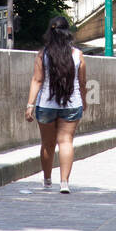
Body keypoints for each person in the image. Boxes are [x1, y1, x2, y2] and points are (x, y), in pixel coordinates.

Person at [25, 16, 86, 193]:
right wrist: (83, 100)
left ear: (49, 33)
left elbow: (37, 80)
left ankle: (47, 180)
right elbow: (82, 82)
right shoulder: (77, 55)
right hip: (72, 103)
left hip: (46, 104)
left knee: (47, 143)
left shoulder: (42, 54)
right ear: (68, 32)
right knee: (66, 141)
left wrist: (30, 105)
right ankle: (64, 183)